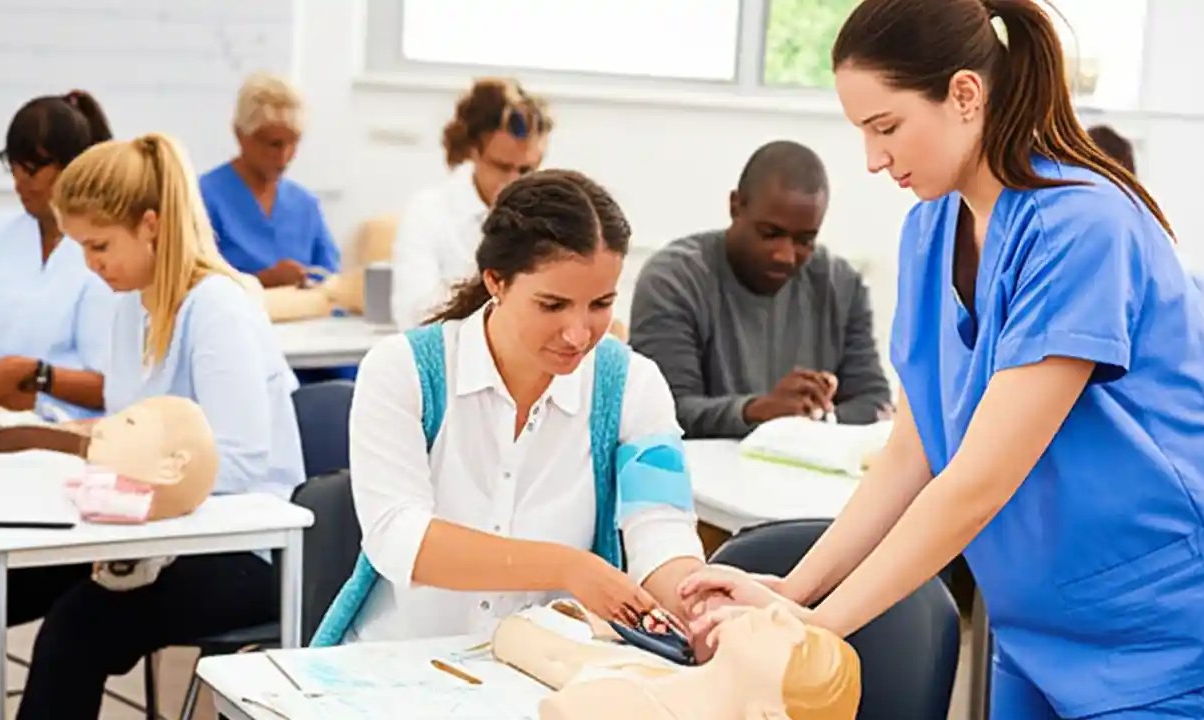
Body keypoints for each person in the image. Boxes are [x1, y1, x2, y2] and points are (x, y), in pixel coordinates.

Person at [679, 1, 1204, 718]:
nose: (872, 159)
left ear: (964, 94)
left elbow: (977, 481)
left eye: (885, 127)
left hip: (1155, 638)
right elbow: (915, 451)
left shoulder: (1084, 227)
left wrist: (818, 627)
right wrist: (795, 593)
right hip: (1033, 632)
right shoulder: (931, 229)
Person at [0, 132, 306, 719]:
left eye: (99, 245)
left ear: (151, 225)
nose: (90, 264)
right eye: (81, 247)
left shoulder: (218, 309)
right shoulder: (132, 303)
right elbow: (128, 431)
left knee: (77, 627)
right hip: (142, 536)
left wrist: (121, 488)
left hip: (239, 546)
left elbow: (242, 467)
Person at [310, 170, 705, 648]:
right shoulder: (402, 370)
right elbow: (399, 540)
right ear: (495, 280)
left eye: (600, 304)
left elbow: (660, 525)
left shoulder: (633, 386)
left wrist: (698, 599)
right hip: (395, 664)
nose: (578, 333)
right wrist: (566, 566)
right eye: (552, 305)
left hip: (541, 671)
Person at [630, 141, 892, 439]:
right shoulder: (674, 280)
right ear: (735, 206)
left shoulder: (841, 285)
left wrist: (807, 416)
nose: (786, 255)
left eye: (805, 240)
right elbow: (662, 412)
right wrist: (757, 411)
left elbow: (876, 405)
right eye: (770, 234)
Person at [0, 90, 116, 421]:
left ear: (72, 166)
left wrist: (35, 376)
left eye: (31, 170)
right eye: (12, 167)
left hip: (77, 436)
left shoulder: (109, 247)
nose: (19, 182)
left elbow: (118, 387)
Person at [200, 71, 350, 383]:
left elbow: (331, 281)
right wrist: (263, 281)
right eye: (273, 144)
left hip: (312, 347)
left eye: (293, 144)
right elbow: (192, 283)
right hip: (239, 348)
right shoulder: (204, 198)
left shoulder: (304, 204)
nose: (284, 156)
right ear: (241, 135)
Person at [390, 78, 552, 329]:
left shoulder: (551, 212)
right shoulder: (428, 211)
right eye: (501, 166)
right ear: (473, 150)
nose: (513, 182)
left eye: (525, 170)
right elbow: (413, 314)